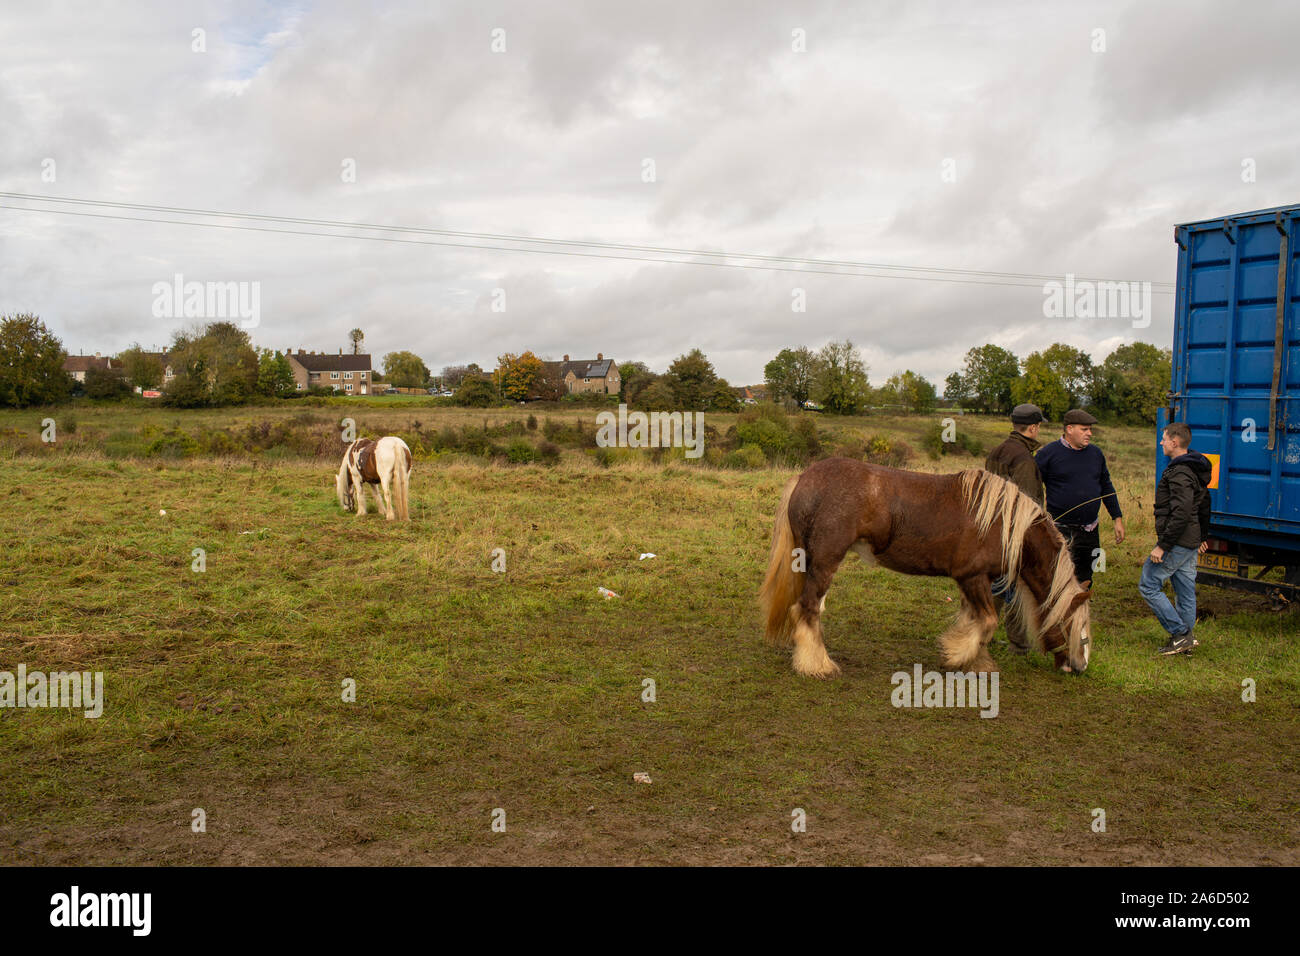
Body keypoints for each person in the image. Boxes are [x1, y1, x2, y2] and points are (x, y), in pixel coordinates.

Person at [1140, 422, 1212, 655]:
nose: (1161, 442)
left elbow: (1181, 512)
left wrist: (1163, 545)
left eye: (1164, 438)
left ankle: (1180, 634)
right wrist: (1202, 535)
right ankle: (1186, 642)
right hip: (1190, 540)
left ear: (1175, 441)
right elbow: (1204, 503)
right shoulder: (1194, 467)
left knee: (1149, 584)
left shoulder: (1180, 472)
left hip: (1178, 541)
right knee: (1185, 591)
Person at [1035, 409, 1125, 587]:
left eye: (1090, 429)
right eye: (1084, 429)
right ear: (1069, 429)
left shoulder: (1096, 454)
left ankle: (1080, 606)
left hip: (1090, 529)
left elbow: (1106, 485)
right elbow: (1033, 486)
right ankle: (1059, 611)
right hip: (1060, 529)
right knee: (1059, 576)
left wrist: (1117, 518)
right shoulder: (1048, 454)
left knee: (1087, 575)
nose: (1089, 433)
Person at [984, 404, 1046, 653]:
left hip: (992, 530)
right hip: (1014, 534)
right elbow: (1029, 503)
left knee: (995, 585)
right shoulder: (1024, 459)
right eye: (1039, 425)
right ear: (1032, 428)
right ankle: (1019, 644)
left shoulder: (996, 451)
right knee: (1018, 587)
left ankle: (984, 634)